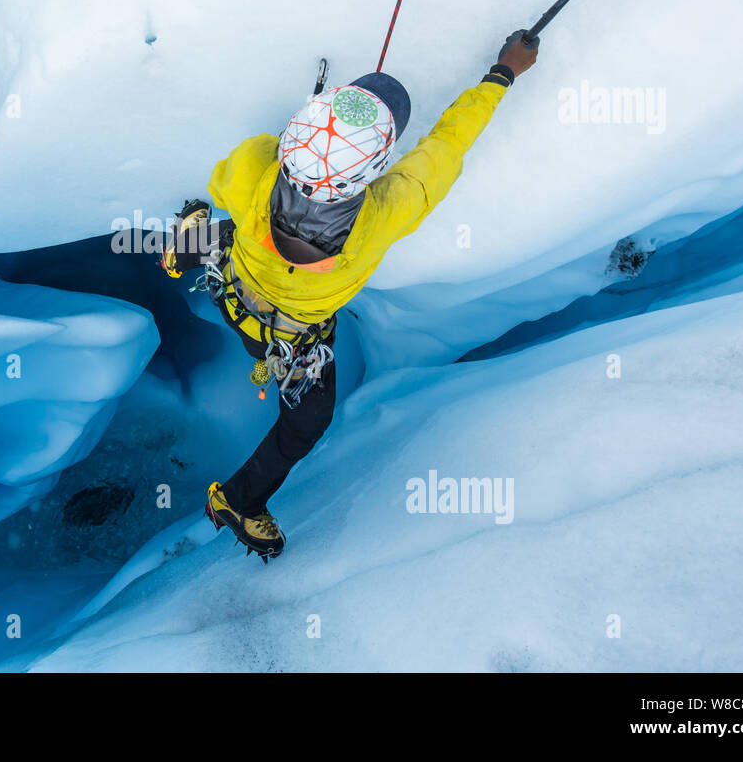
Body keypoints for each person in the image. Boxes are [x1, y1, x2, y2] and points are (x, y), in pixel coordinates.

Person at [161, 31, 539, 561]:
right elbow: (445, 145)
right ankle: (241, 501)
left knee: (239, 230)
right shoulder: (384, 216)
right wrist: (502, 74)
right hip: (288, 340)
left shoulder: (254, 165)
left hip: (234, 283)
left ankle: (188, 244)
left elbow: (225, 183)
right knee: (306, 423)